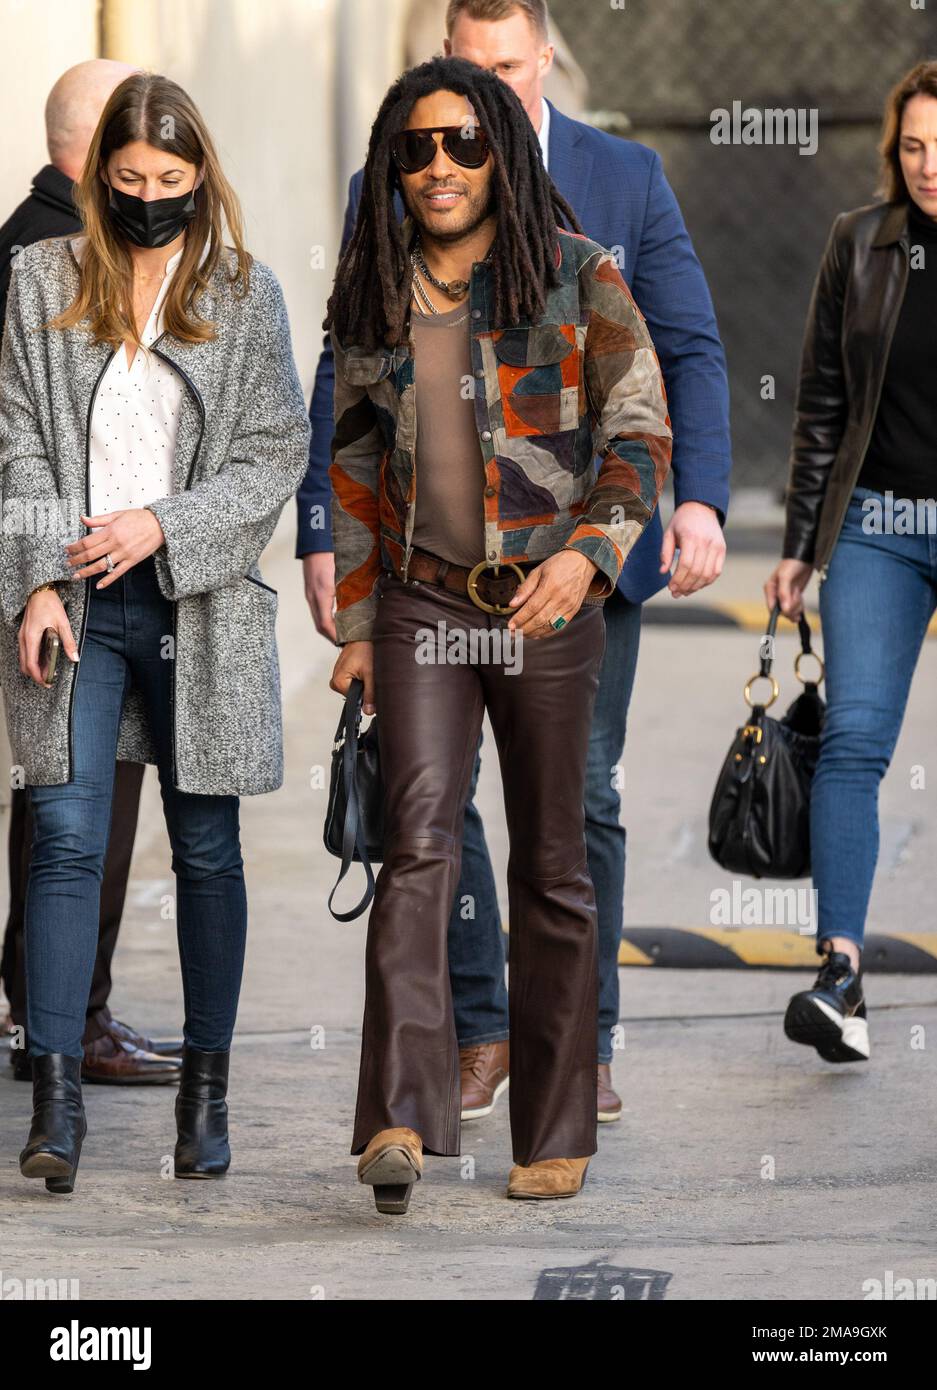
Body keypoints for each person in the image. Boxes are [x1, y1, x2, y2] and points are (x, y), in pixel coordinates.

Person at [298, 0, 730, 1123]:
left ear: (533, 71)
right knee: (424, 834)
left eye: (468, 131)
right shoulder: (383, 238)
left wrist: (629, 543)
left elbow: (661, 391)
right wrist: (346, 602)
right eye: (422, 142)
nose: (440, 160)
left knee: (568, 826)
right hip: (420, 598)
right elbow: (345, 431)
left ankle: (572, 1069)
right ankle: (431, 1084)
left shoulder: (596, 229)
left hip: (558, 591)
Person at [0, 72, 310, 1194]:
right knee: (66, 836)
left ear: (200, 180)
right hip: (77, 601)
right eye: (127, 180)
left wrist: (159, 524)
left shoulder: (245, 292)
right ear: (97, 179)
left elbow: (272, 455)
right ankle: (55, 1103)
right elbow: (20, 442)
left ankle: (205, 1096)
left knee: (206, 847)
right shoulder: (42, 278)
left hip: (196, 600)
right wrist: (36, 578)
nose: (146, 199)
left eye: (169, 182)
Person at [0, 58, 183, 1087]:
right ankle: (66, 1020)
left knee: (63, 807)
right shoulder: (47, 256)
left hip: (79, 577)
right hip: (78, 583)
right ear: (93, 149)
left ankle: (48, 1009)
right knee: (83, 813)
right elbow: (28, 445)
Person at [766, 60, 937, 1064]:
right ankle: (838, 975)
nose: (928, 166)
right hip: (876, 522)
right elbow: (822, 404)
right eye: (912, 146)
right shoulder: (858, 245)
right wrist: (798, 546)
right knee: (855, 741)